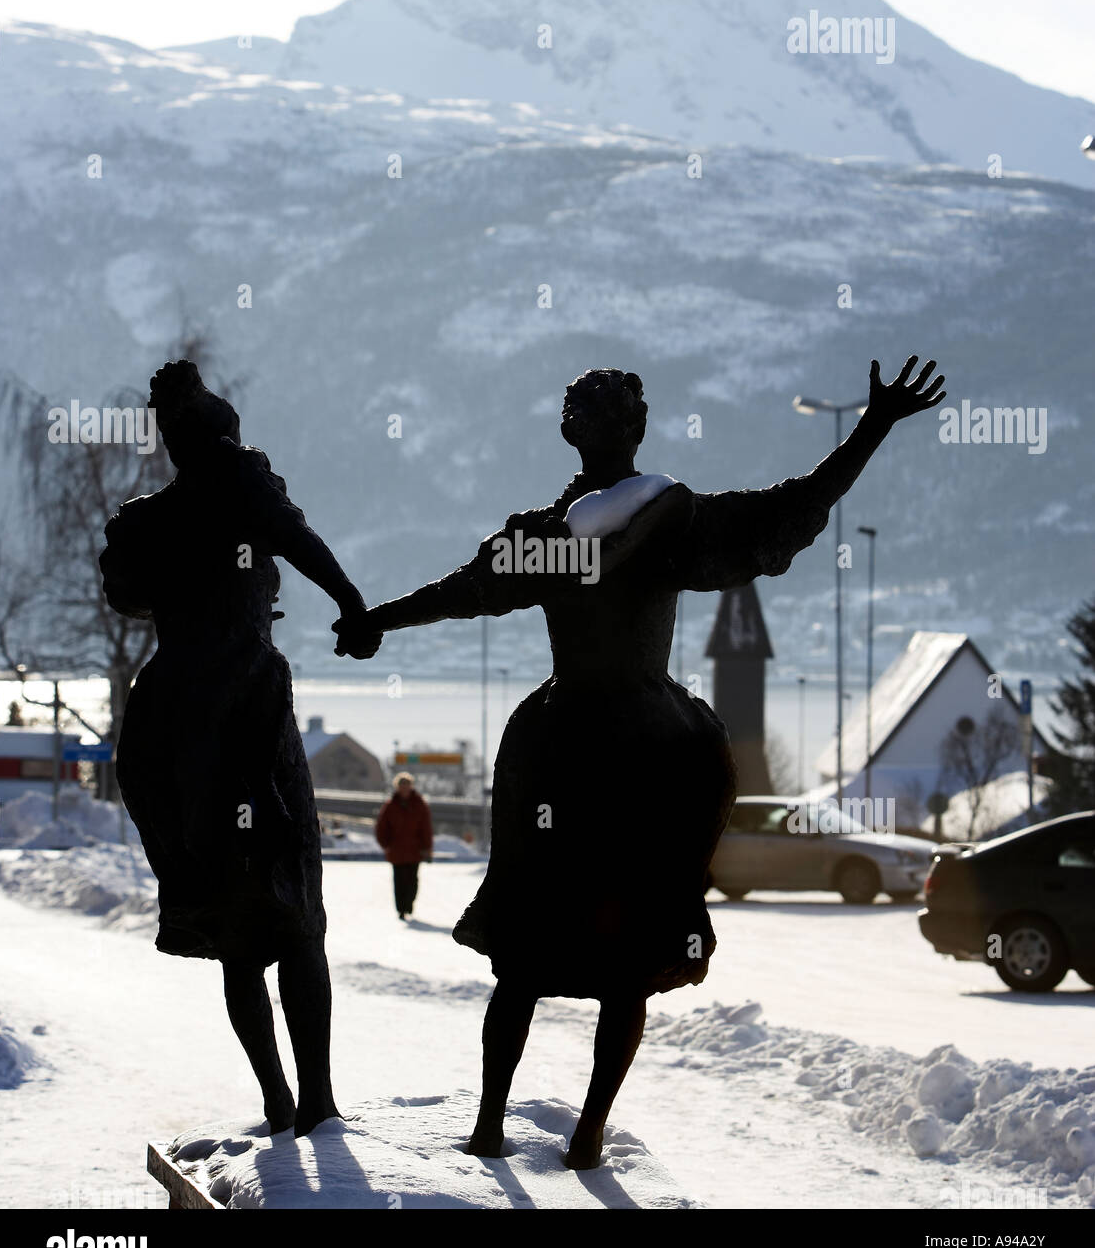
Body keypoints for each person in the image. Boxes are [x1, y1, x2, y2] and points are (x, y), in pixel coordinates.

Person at [338, 355, 944, 1169]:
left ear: (582, 433)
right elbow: (787, 509)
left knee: (529, 954)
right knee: (615, 953)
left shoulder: (555, 537)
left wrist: (378, 620)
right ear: (618, 431)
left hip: (565, 736)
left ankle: (504, 1124)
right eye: (612, 416)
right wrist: (870, 428)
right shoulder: (659, 522)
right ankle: (568, 1129)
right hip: (646, 739)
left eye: (615, 415)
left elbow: (465, 590)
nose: (616, 427)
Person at [100, 360, 380, 1138]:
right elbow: (298, 539)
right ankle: (315, 1100)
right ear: (222, 439)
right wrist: (353, 604)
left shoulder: (146, 521)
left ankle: (277, 1099)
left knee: (233, 933)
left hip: (166, 714)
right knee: (298, 918)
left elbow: (126, 593)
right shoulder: (244, 489)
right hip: (245, 701)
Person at [375, 773, 434, 919]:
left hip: (415, 850)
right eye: (402, 786)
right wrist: (385, 843)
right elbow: (381, 827)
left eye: (407, 785)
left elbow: (426, 828)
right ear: (398, 787)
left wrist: (427, 847)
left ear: (411, 786)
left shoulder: (420, 804)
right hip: (396, 850)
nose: (404, 788)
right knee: (399, 880)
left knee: (412, 880)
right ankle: (401, 909)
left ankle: (409, 904)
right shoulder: (390, 805)